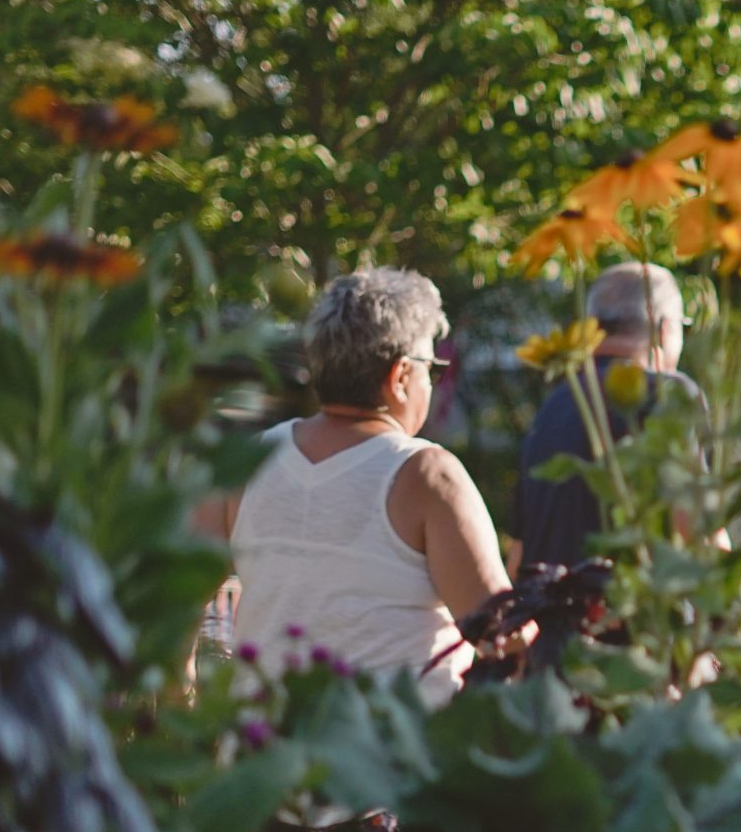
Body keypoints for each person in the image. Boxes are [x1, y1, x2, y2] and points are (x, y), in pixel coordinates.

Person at [213, 269, 513, 704]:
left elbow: (176, 601)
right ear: (401, 375)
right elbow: (499, 628)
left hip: (265, 746)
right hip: (389, 753)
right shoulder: (426, 474)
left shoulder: (250, 458)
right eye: (431, 368)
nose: (432, 382)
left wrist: (180, 694)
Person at [516, 262, 700, 574]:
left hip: (550, 611)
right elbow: (696, 529)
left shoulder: (554, 404)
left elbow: (518, 551)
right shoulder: (668, 393)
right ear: (665, 328)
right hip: (633, 613)